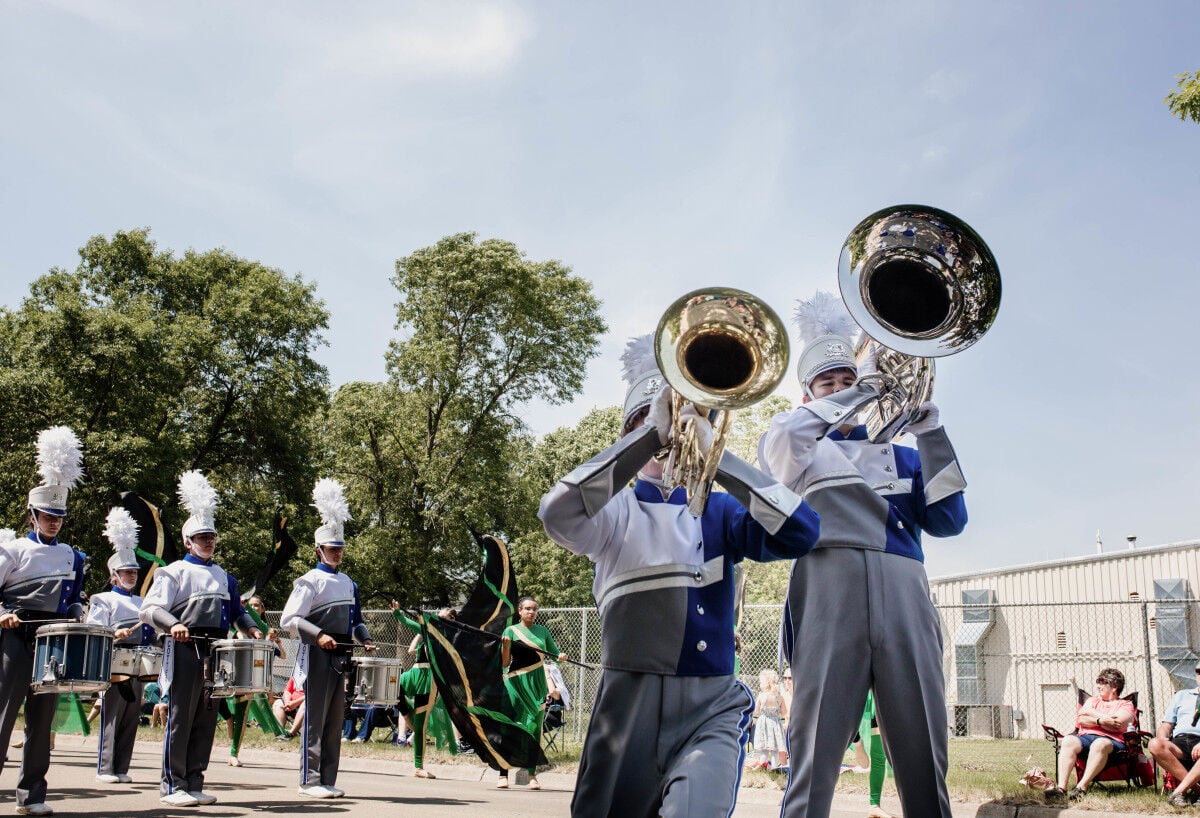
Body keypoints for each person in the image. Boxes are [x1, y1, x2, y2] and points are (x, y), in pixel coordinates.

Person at [539, 334, 821, 818]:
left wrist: (721, 460)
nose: (669, 438)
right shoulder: (612, 513)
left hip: (710, 705)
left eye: (677, 423)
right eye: (649, 423)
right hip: (627, 708)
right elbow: (556, 512)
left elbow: (801, 531)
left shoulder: (722, 511)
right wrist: (650, 432)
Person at [757, 292, 968, 818]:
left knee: (921, 740)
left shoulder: (901, 451)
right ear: (809, 397)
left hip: (904, 589)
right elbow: (784, 435)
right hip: (830, 584)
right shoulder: (801, 446)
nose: (841, 389)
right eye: (827, 383)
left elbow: (950, 521)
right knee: (816, 743)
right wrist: (858, 391)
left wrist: (931, 430)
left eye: (847, 380)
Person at [140, 470, 262, 807]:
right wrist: (173, 624)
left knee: (207, 717)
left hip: (217, 652)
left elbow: (237, 611)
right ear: (188, 541)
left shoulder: (225, 575)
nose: (208, 541)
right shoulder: (173, 571)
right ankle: (172, 784)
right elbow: (150, 608)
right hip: (183, 648)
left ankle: (195, 779)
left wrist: (251, 627)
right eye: (201, 537)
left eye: (211, 536)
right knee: (181, 716)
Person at [0, 426, 87, 817]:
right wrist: (3, 614)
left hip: (52, 641)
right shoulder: (12, 550)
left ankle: (32, 794)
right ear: (32, 514)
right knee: (3, 714)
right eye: (48, 516)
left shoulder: (74, 556)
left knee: (41, 720)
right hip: (13, 638)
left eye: (59, 517)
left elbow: (72, 601)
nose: (54, 523)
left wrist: (79, 613)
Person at [280, 478, 376, 799]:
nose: (336, 553)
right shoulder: (308, 581)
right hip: (316, 654)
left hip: (342, 656)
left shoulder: (349, 582)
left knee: (336, 719)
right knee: (315, 720)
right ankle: (309, 779)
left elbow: (357, 620)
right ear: (318, 549)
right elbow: (289, 619)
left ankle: (327, 779)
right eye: (331, 549)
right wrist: (318, 634)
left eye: (340, 549)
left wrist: (365, 639)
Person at [87, 507, 157, 784]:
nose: (132, 576)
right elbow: (95, 629)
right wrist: (115, 632)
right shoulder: (102, 599)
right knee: (112, 713)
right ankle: (105, 768)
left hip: (139, 661)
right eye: (126, 572)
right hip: (115, 660)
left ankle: (122, 767)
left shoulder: (143, 602)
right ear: (114, 575)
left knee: (131, 714)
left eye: (134, 572)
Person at [498, 596, 567, 790]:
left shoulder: (543, 631)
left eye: (534, 609)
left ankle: (531, 775)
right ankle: (503, 773)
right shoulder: (510, 631)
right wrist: (505, 646)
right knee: (511, 726)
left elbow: (556, 655)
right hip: (516, 682)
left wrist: (561, 656)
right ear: (519, 611)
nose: (531, 612)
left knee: (535, 728)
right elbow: (504, 663)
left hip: (537, 683)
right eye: (527, 608)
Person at [1047, 668, 1135, 800]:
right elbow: (1081, 719)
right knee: (1068, 740)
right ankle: (1061, 788)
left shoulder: (1125, 704)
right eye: (1098, 682)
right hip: (1086, 738)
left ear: (1115, 686)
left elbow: (1117, 723)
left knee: (1100, 743)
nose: (1098, 686)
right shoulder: (1093, 700)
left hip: (1112, 742)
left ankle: (1081, 787)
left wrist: (1091, 716)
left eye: (1102, 682)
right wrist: (1101, 720)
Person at [392, 602, 457, 779]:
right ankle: (407, 716)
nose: (438, 619)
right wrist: (398, 613)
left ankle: (418, 767)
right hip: (414, 673)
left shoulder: (452, 637)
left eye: (443, 617)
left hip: (430, 680)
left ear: (452, 620)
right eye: (438, 616)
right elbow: (411, 624)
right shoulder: (428, 629)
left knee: (421, 724)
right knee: (392, 691)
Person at [227, 595, 286, 767]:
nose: (251, 608)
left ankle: (233, 753)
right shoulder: (231, 621)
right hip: (222, 672)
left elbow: (263, 630)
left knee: (241, 712)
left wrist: (248, 610)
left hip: (246, 675)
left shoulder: (261, 628)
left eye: (256, 606)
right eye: (249, 605)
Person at [1148, 665, 1200, 807]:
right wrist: (1162, 737)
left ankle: (1178, 792)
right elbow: (1166, 725)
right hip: (1180, 742)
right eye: (1198, 672)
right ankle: (1197, 789)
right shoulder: (1182, 695)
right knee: (1154, 743)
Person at [750, 669, 788, 770]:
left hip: (764, 724)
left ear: (766, 683)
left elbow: (756, 711)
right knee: (775, 750)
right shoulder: (779, 697)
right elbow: (784, 712)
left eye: (761, 682)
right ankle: (774, 769)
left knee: (764, 750)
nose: (760, 684)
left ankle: (762, 768)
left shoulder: (761, 696)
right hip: (775, 724)